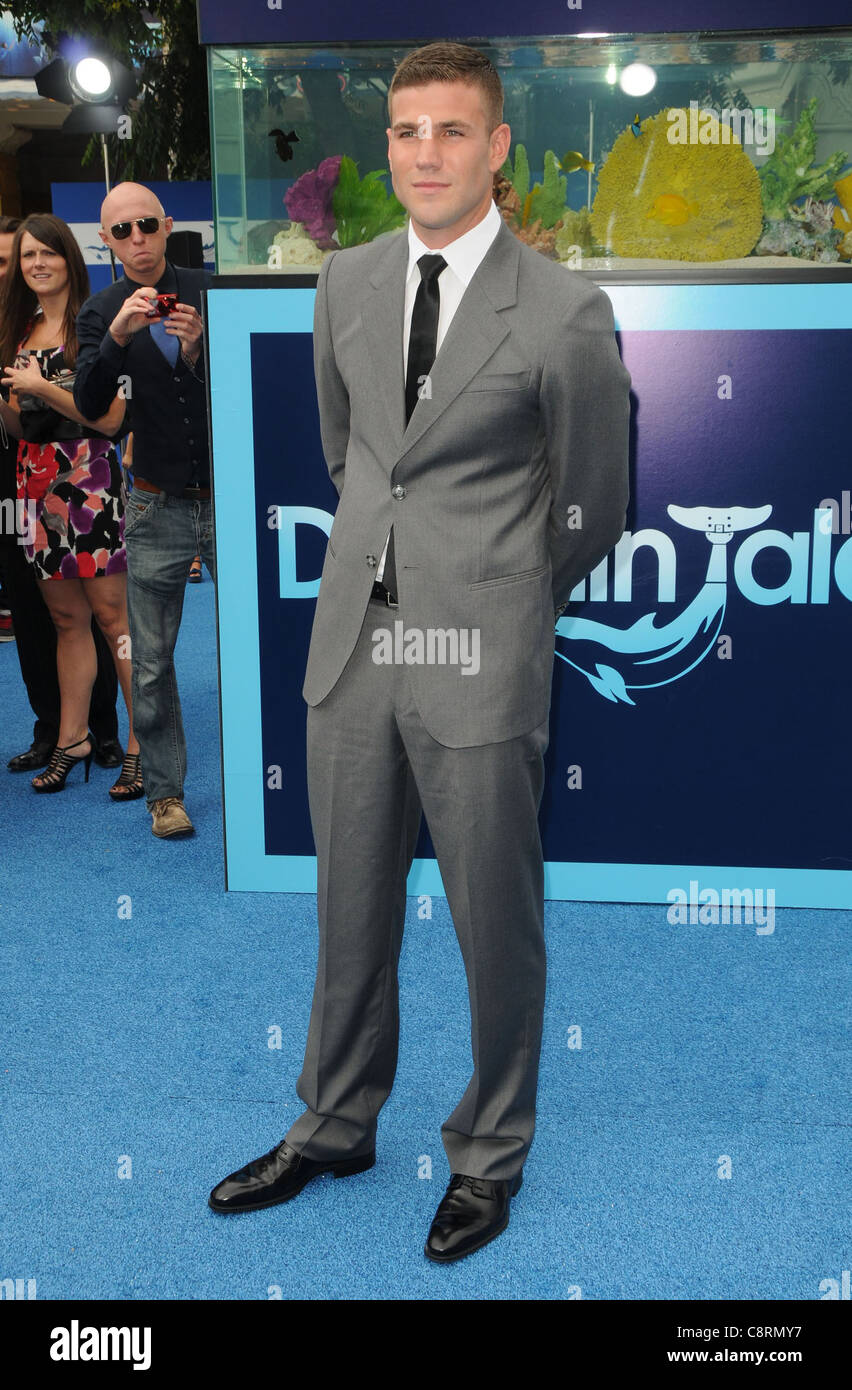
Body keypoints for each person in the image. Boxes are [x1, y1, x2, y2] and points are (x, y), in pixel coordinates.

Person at [209, 42, 632, 1263]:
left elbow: (591, 504)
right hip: (351, 647)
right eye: (405, 131)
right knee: (347, 912)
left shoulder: (562, 310)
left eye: (452, 130)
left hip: (482, 655)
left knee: (491, 918)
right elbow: (353, 460)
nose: (425, 153)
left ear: (498, 149)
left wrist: (494, 599)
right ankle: (336, 1120)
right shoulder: (343, 281)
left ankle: (490, 1151)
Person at [73, 183, 212, 839]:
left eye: (146, 225)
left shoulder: (211, 292)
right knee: (150, 661)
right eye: (121, 230)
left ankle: (284, 777)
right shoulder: (100, 311)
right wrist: (119, 339)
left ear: (167, 226)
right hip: (154, 505)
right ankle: (165, 796)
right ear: (105, 240)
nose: (136, 239)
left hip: (229, 499)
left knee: (264, 643)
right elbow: (92, 406)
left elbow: (257, 381)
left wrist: (197, 352)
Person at [0, 213, 140, 798]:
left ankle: (142, 742)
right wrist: (9, 399)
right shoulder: (17, 327)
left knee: (115, 621)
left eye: (47, 254)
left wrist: (41, 387)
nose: (37, 264)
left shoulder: (96, 323)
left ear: (68, 257)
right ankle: (72, 737)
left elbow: (108, 419)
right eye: (27, 256)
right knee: (65, 622)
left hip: (91, 479)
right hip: (35, 481)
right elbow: (18, 424)